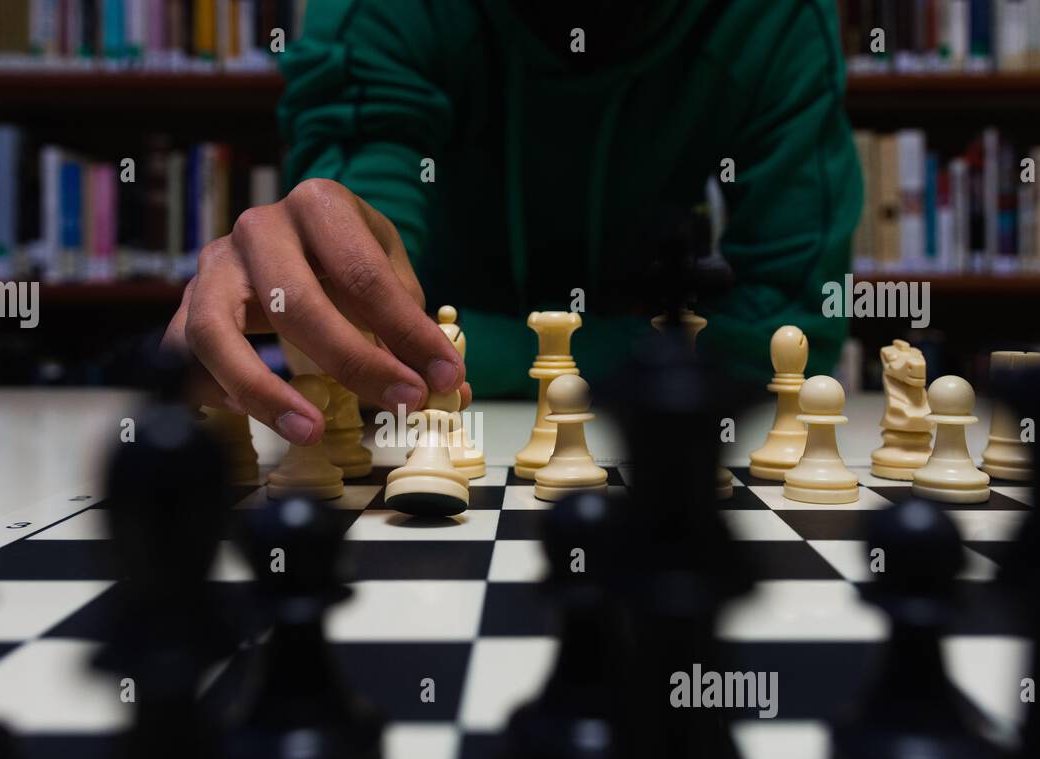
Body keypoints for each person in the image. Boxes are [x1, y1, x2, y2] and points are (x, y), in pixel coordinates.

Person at [162, 0, 862, 444]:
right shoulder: (377, 13)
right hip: (427, 431)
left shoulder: (780, 18)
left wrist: (445, 355)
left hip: (448, 400)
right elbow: (356, 289)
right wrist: (320, 289)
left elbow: (792, 329)